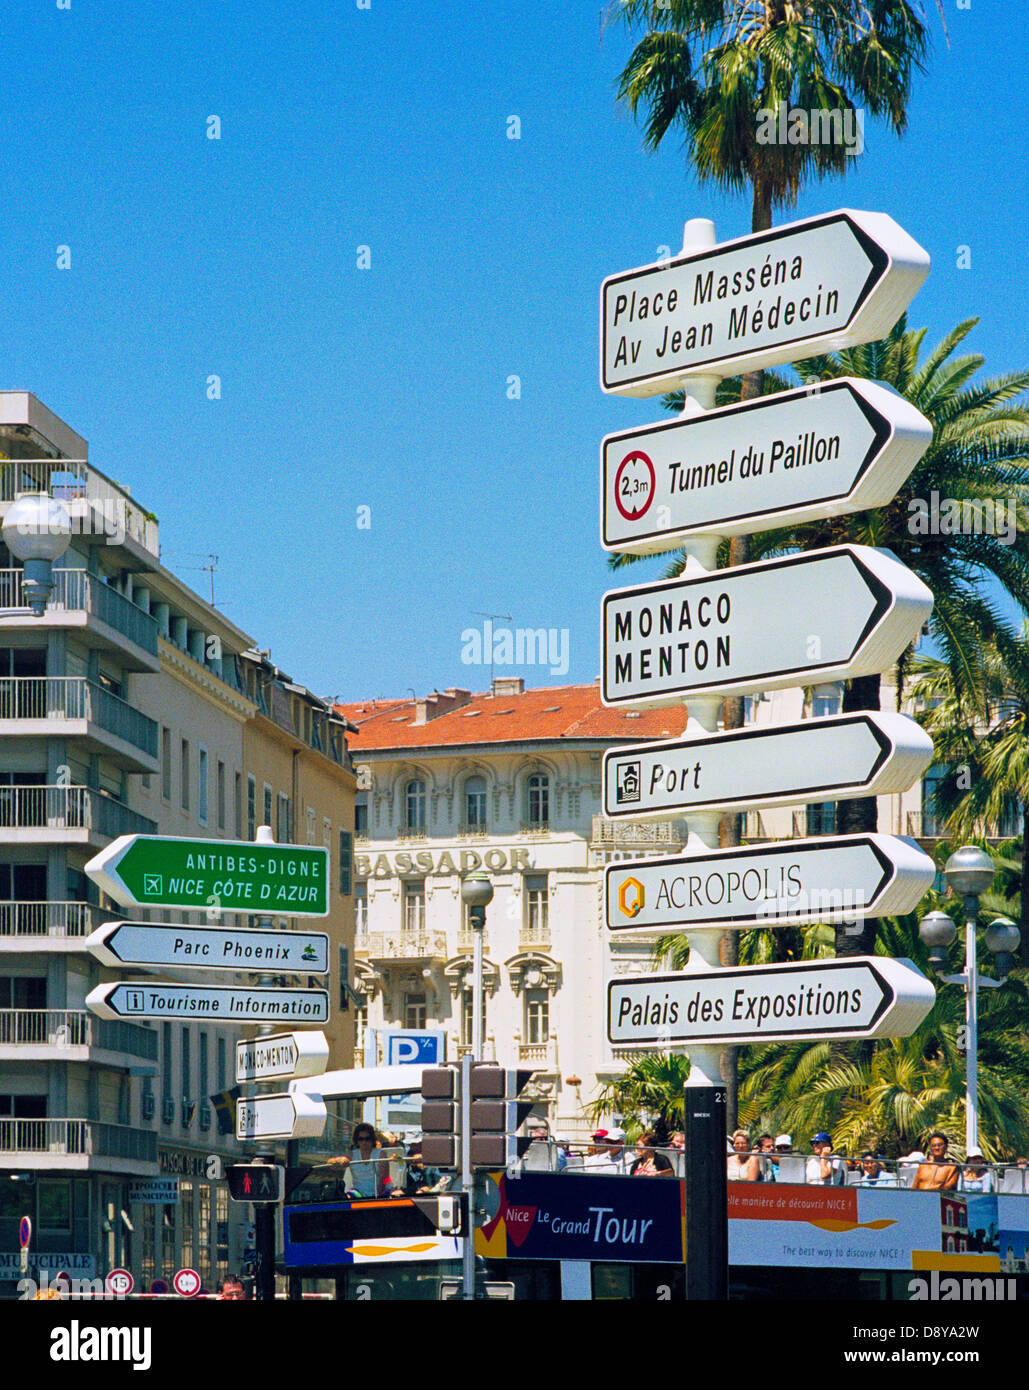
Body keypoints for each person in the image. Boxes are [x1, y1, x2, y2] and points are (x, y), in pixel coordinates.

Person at [326, 1122, 396, 1197]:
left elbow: (384, 1178)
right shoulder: (352, 1154)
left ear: (372, 1139)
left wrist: (377, 1196)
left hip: (380, 1191)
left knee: (398, 1195)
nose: (364, 1142)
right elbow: (331, 1165)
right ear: (357, 1140)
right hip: (358, 1192)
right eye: (361, 1139)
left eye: (367, 1139)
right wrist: (339, 1160)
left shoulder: (381, 1154)